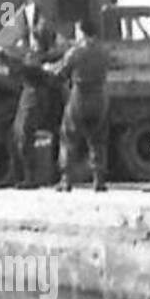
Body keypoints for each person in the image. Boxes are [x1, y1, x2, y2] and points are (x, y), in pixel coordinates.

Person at [0, 8, 63, 188]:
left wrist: (5, 58)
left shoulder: (45, 59)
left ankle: (30, 178)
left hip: (35, 98)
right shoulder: (37, 56)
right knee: (13, 137)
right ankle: (14, 174)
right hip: (28, 96)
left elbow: (29, 70)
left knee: (24, 137)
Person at [51, 16, 111, 192]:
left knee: (69, 137)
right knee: (98, 139)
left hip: (80, 96)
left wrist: (48, 67)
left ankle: (66, 180)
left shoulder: (75, 52)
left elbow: (60, 72)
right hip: (100, 96)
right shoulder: (104, 51)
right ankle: (99, 180)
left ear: (82, 31)